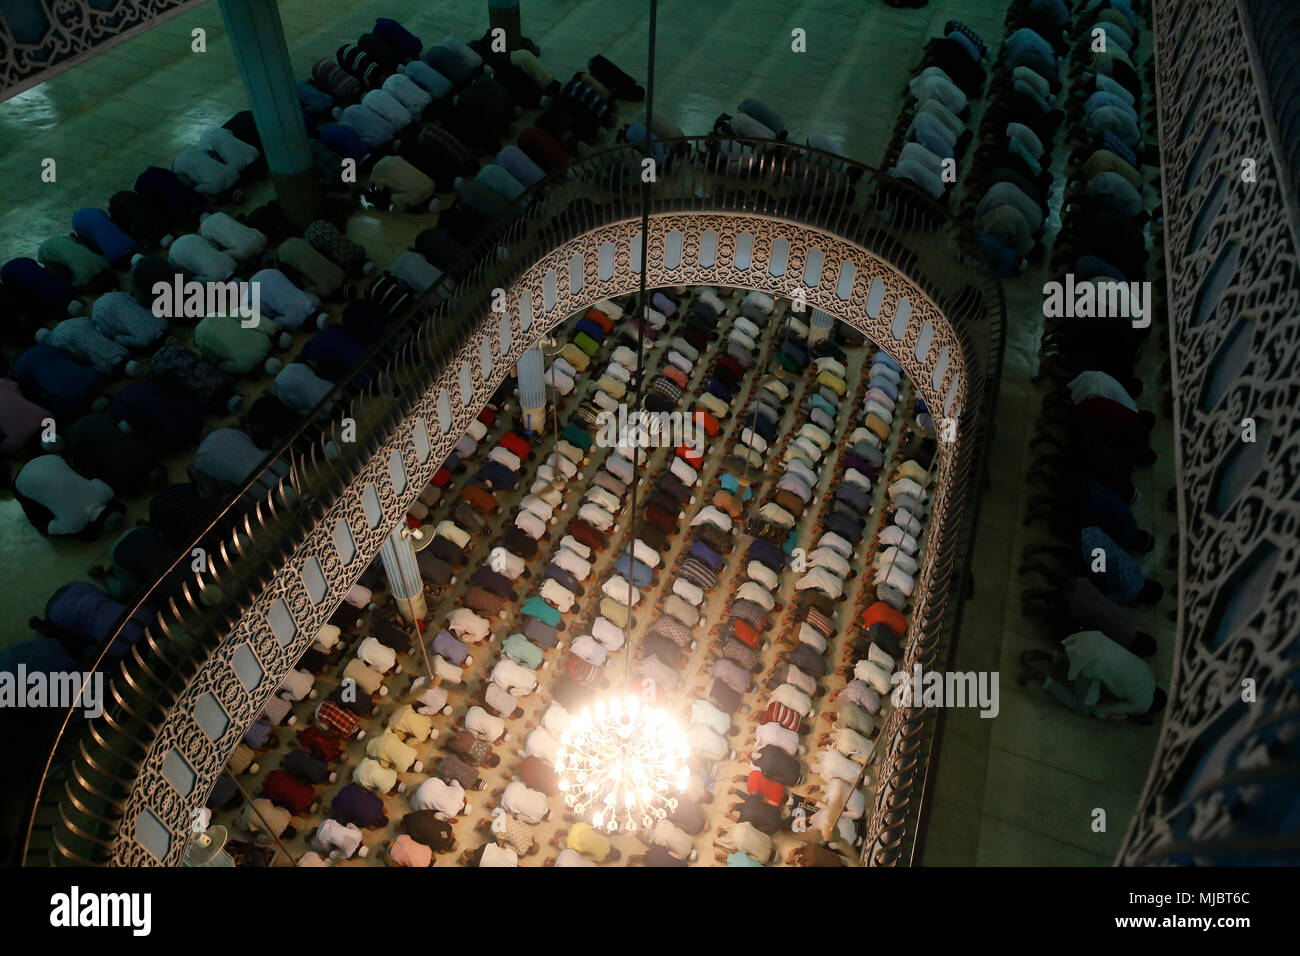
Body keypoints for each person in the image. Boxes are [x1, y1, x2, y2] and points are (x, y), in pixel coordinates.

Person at [1018, 631, 1168, 722]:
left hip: (1092, 640)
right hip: (1092, 663)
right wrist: (1124, 716)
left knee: (1086, 661)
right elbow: (1100, 711)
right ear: (1150, 710)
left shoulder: (1147, 672)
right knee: (1084, 708)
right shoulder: (1142, 706)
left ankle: (1046, 655)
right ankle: (1039, 676)